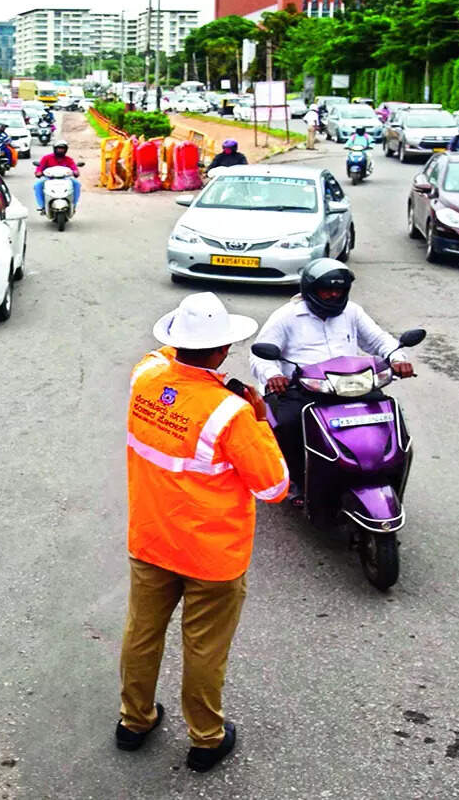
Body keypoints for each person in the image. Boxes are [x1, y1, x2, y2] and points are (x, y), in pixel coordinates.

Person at [118, 292, 288, 773]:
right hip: (211, 557)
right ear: (222, 350)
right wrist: (260, 417)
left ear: (177, 342)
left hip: (151, 539)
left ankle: (134, 721)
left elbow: (164, 355)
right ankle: (206, 739)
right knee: (204, 648)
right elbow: (274, 487)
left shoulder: (146, 378)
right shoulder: (231, 413)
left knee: (142, 633)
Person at [250, 258, 415, 502]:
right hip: (305, 389)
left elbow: (379, 340)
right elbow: (259, 355)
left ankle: (384, 469)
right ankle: (293, 479)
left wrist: (397, 358)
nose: (333, 295)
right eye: (326, 290)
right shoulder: (287, 316)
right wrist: (273, 375)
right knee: (288, 424)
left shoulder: (352, 312)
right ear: (310, 289)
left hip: (352, 385)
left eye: (339, 290)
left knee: (387, 415)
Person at [33, 140, 80, 215]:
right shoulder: (47, 158)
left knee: (77, 184)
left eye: (62, 149)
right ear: (54, 149)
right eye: (59, 148)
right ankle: (42, 206)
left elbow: (74, 167)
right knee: (37, 185)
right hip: (49, 179)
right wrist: (38, 172)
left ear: (66, 150)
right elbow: (40, 167)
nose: (60, 150)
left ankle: (73, 204)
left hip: (65, 179)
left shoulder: (68, 159)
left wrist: (76, 172)